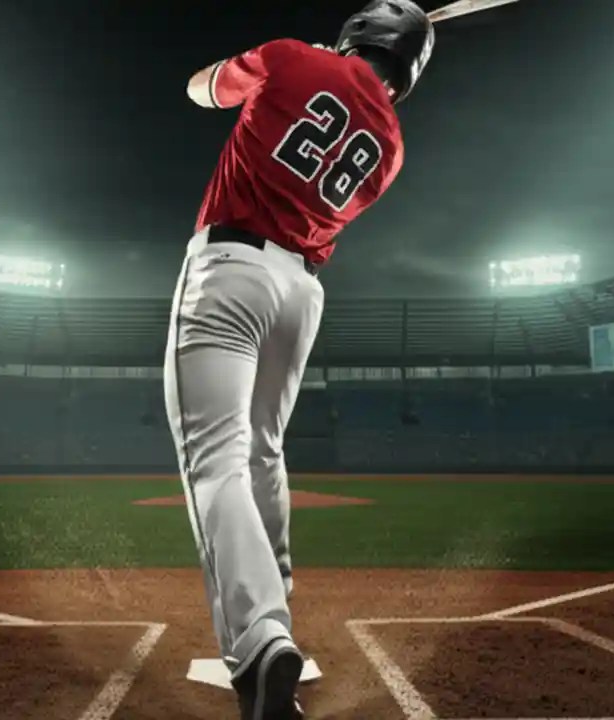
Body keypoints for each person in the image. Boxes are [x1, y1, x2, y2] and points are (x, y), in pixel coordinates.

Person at [163, 3, 434, 718]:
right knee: (263, 451)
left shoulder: (291, 57)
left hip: (231, 268)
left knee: (215, 460)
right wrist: (321, 68)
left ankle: (260, 640)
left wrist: (301, 59)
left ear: (357, 31)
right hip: (300, 294)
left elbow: (198, 89)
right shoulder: (392, 146)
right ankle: (275, 597)